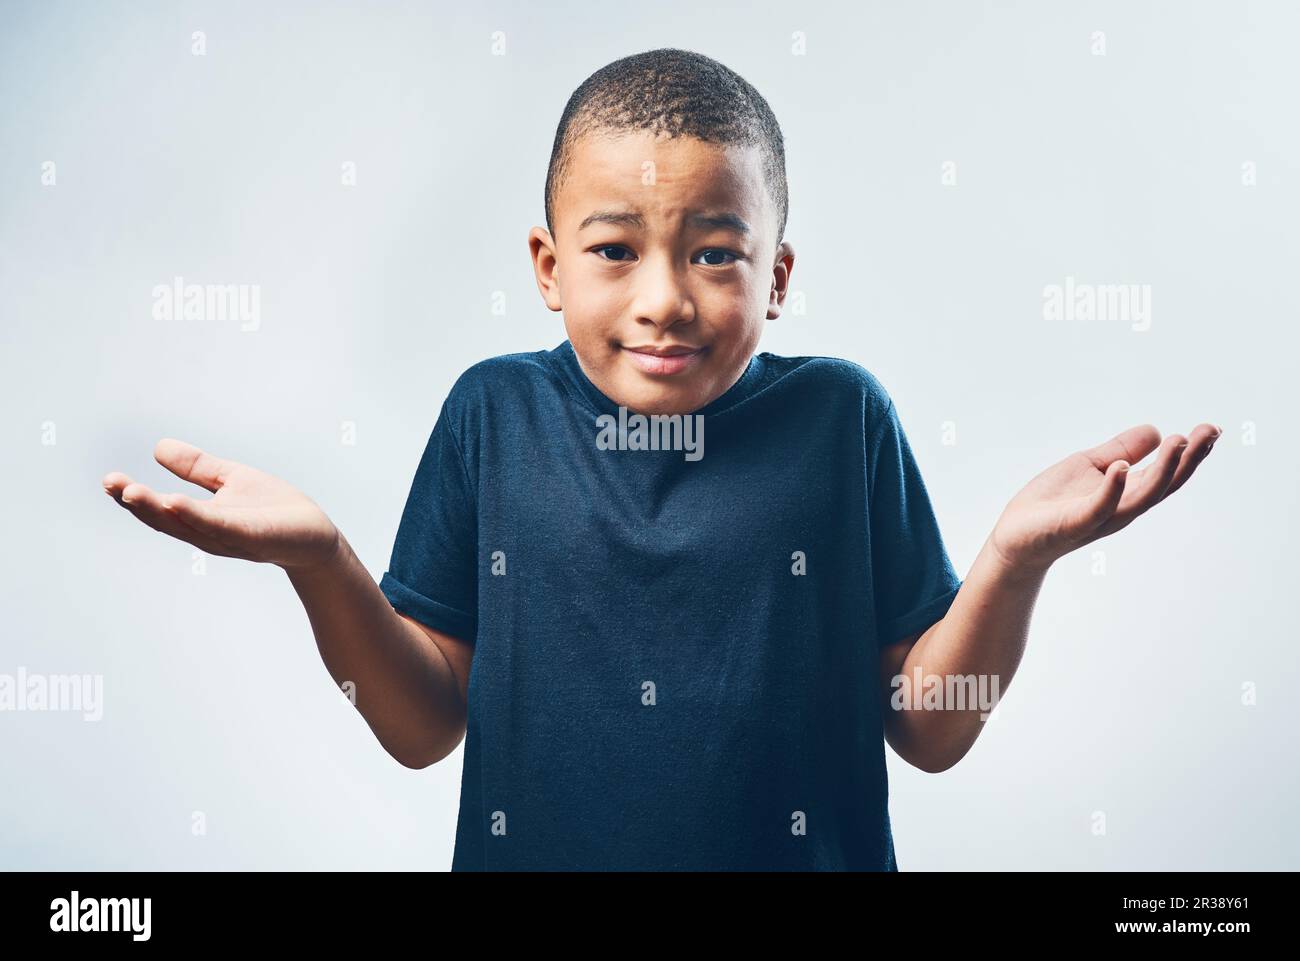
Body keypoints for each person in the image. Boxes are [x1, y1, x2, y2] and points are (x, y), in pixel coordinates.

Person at [102, 48, 1219, 870]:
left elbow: (927, 729)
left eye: (715, 252)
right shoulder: (492, 415)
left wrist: (1013, 561)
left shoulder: (842, 420)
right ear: (549, 265)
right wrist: (322, 562)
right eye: (614, 250)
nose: (664, 298)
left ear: (777, 277)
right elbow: (421, 726)